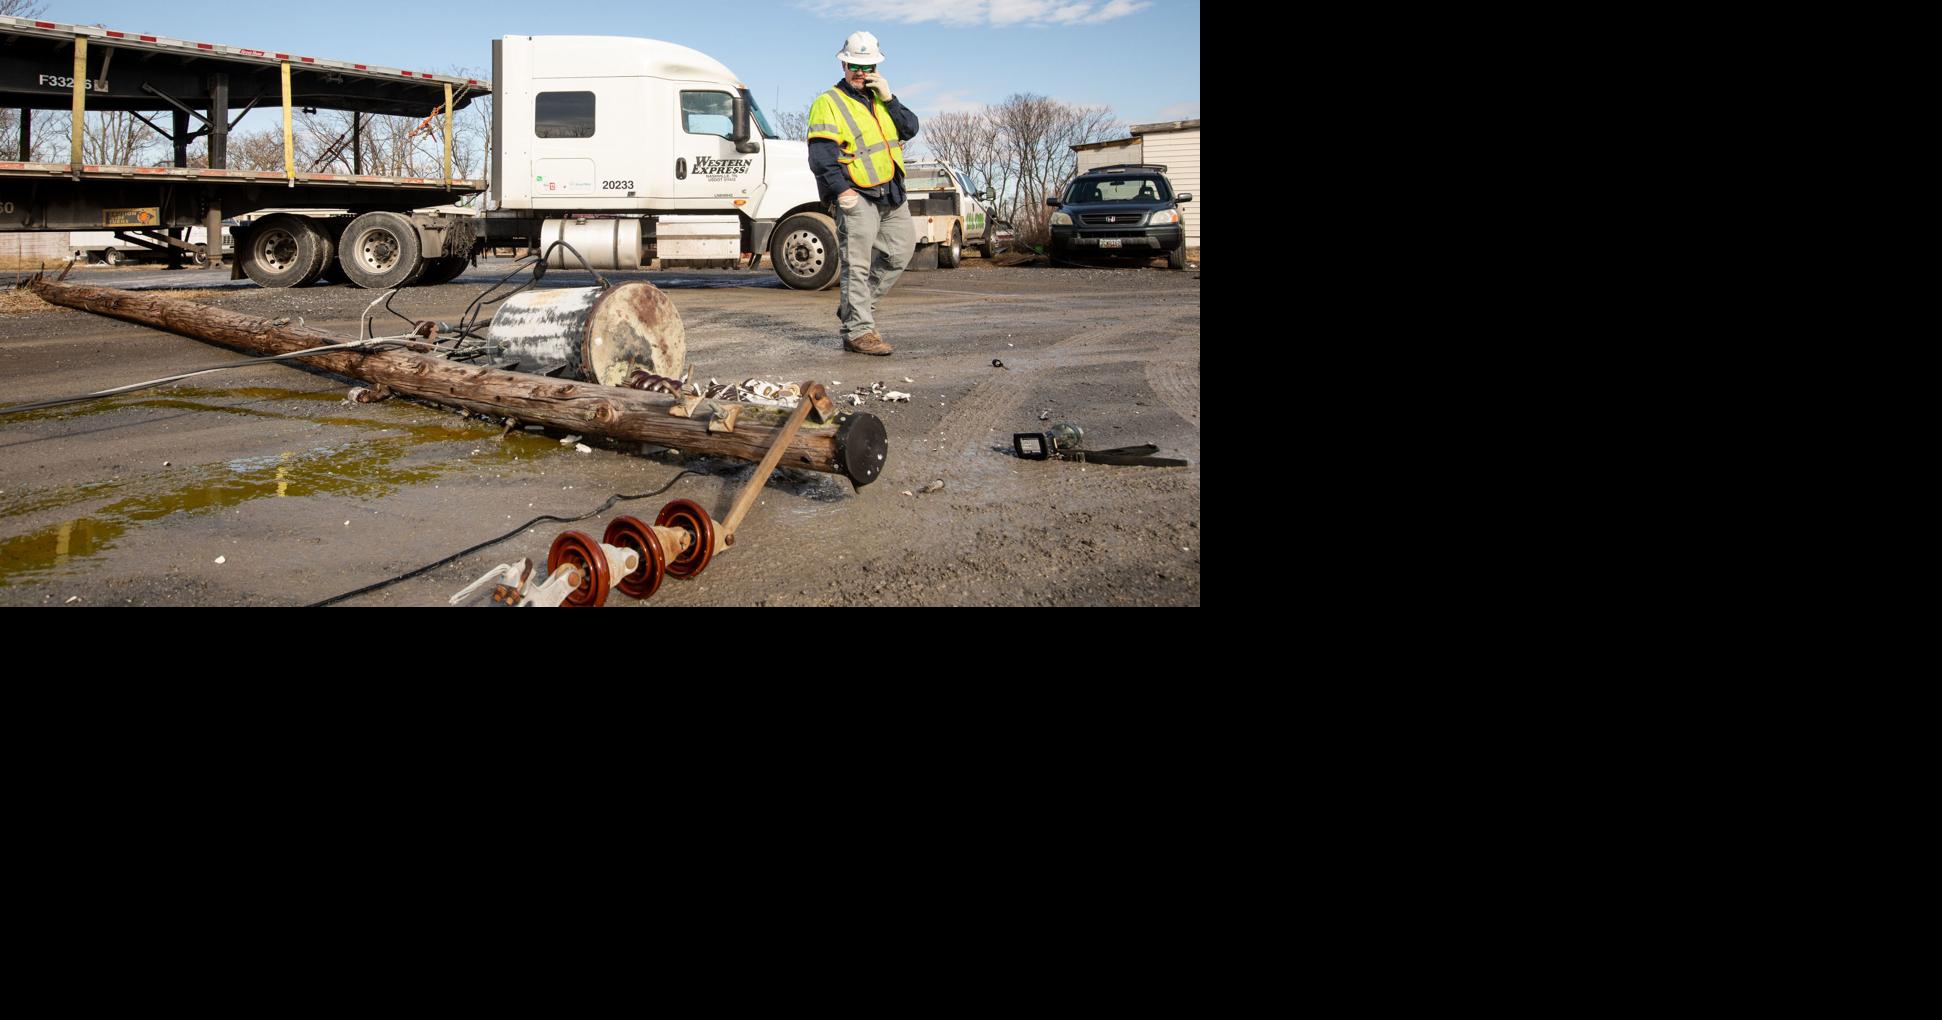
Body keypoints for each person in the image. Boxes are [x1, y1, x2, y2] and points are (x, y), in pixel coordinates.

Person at [807, 31, 920, 356]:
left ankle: (854, 309)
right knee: (856, 266)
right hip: (857, 193)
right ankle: (858, 331)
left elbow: (910, 129)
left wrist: (890, 98)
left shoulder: (881, 99)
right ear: (843, 63)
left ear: (875, 65)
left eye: (866, 65)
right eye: (854, 65)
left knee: (900, 253)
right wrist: (840, 190)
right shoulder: (828, 102)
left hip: (892, 194)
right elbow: (820, 154)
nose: (860, 72)